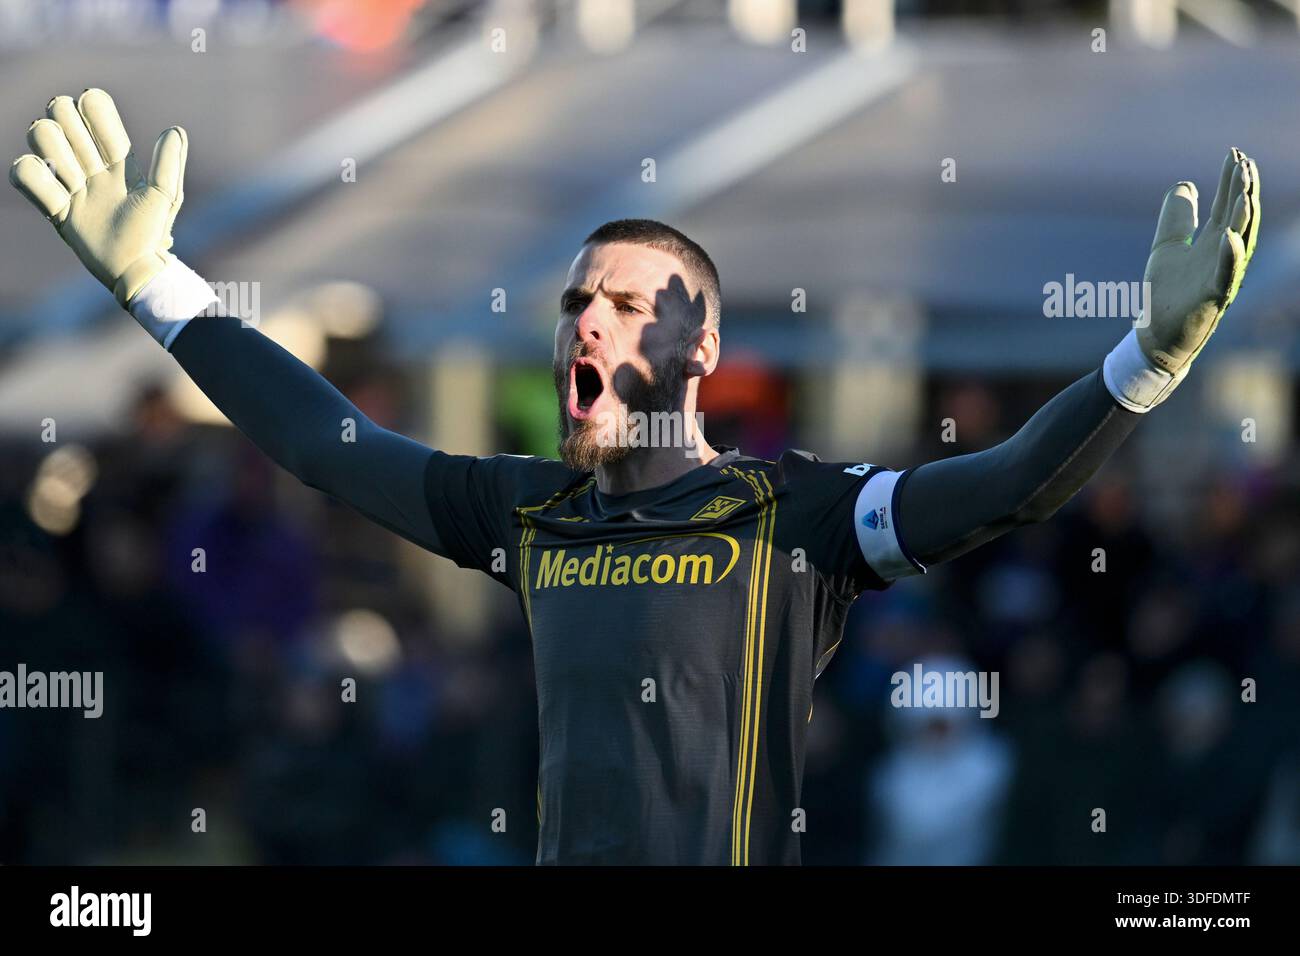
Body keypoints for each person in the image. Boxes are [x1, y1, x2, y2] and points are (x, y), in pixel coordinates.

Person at [9, 89, 1260, 865]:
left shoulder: (794, 519)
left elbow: (1006, 485)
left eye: (621, 303)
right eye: (571, 305)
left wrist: (1142, 356)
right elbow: (325, 445)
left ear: (700, 348)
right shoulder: (530, 511)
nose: (584, 327)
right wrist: (160, 290)